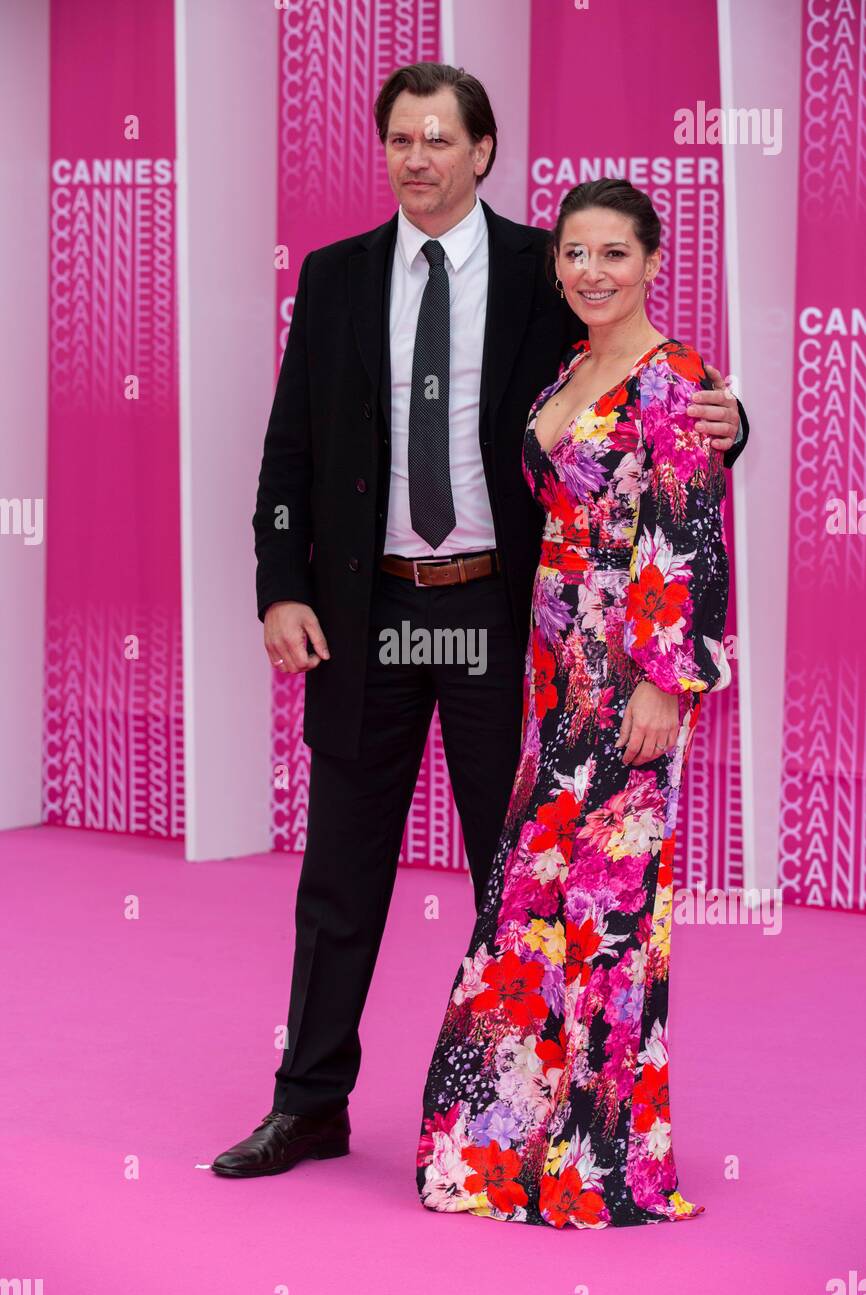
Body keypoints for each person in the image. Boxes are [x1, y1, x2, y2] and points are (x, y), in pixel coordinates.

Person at [212, 65, 747, 1180]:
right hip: (370, 614)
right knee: (340, 870)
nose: (417, 158)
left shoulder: (542, 271)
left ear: (483, 151)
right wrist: (280, 582)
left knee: (519, 875)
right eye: (400, 138)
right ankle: (308, 1100)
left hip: (502, 618)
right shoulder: (335, 279)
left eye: (440, 138)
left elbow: (633, 388)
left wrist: (725, 426)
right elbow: (286, 450)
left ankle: (536, 1116)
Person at [416, 178, 731, 1228]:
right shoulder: (570, 364)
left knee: (601, 915)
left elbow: (687, 537)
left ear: (650, 261)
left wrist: (661, 682)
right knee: (532, 906)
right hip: (553, 679)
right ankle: (507, 1149)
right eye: (573, 254)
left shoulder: (674, 379)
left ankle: (597, 1163)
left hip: (626, 682)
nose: (589, 271)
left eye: (611, 253)